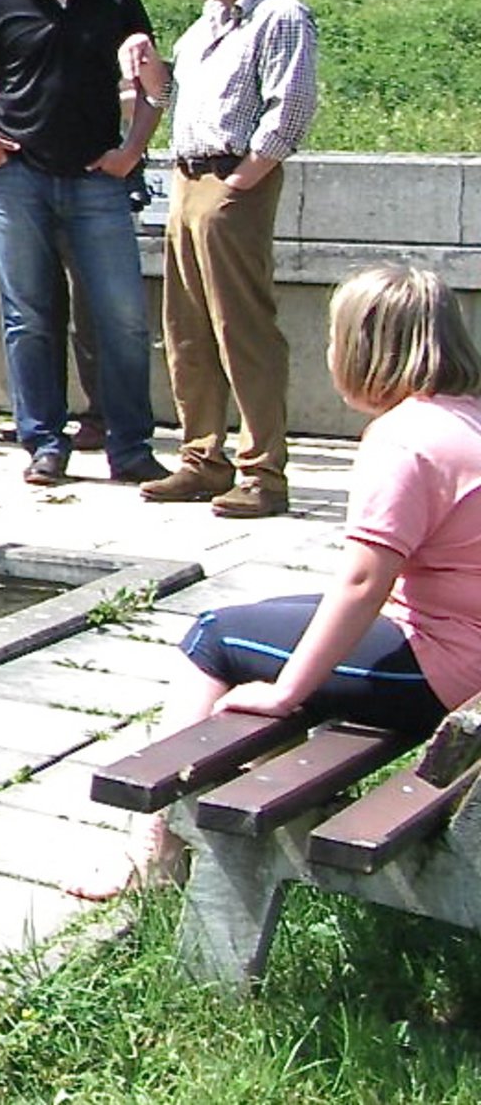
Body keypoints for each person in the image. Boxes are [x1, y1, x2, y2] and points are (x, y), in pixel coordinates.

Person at [76, 265, 481, 897]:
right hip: (460, 646)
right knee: (265, 618)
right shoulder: (467, 419)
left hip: (448, 666)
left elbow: (361, 584)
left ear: (363, 348)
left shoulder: (405, 440)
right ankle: (254, 805)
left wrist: (288, 690)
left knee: (214, 635)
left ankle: (155, 852)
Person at [0, 0, 169, 487]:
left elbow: (155, 84)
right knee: (29, 315)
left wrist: (133, 148)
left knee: (123, 315)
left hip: (97, 179)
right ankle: (44, 442)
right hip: (18, 179)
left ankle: (131, 447)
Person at [128, 0, 319, 520]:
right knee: (186, 328)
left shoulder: (280, 17)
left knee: (244, 327)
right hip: (186, 180)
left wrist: (240, 181)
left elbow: (288, 108)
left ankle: (262, 473)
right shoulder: (210, 20)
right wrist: (147, 69)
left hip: (231, 180)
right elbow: (169, 94)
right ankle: (202, 459)